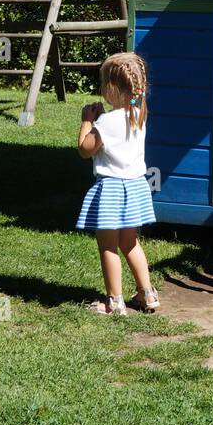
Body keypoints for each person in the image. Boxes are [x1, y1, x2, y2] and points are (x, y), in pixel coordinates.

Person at [76, 50, 159, 316]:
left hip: (112, 189)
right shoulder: (138, 115)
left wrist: (87, 122)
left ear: (112, 88)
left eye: (103, 84)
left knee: (108, 246)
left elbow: (85, 149)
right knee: (130, 242)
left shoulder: (105, 122)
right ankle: (147, 294)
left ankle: (114, 301)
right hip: (135, 187)